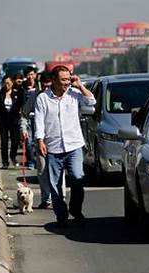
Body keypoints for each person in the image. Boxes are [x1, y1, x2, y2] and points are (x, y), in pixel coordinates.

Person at [35, 66, 96, 227]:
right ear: (53, 80)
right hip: (53, 147)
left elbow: (92, 101)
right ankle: (61, 215)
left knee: (77, 178)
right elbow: (39, 121)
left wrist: (80, 86)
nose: (66, 83)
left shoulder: (74, 95)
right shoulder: (43, 98)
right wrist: (40, 140)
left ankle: (75, 209)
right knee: (55, 185)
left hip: (74, 145)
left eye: (68, 79)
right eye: (63, 80)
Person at [21, 71, 62, 209]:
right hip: (41, 140)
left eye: (48, 86)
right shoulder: (35, 97)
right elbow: (24, 114)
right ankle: (46, 199)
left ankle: (60, 197)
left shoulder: (60, 96)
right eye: (43, 86)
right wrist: (24, 130)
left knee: (58, 171)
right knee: (43, 170)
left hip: (57, 140)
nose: (46, 89)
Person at [0, 75, 23, 169]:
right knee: (4, 141)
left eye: (8, 83)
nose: (7, 85)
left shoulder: (17, 94)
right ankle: (5, 162)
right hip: (3, 120)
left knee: (15, 140)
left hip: (14, 120)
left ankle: (13, 156)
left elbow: (21, 106)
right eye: (5, 83)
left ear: (12, 83)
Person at [20, 66, 40, 169]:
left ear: (35, 75)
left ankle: (39, 161)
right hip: (27, 118)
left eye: (32, 74)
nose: (30, 77)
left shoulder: (39, 87)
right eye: (28, 75)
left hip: (38, 118)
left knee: (38, 140)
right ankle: (31, 162)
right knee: (29, 141)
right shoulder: (23, 88)